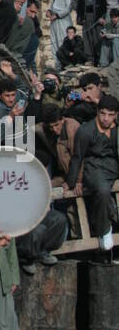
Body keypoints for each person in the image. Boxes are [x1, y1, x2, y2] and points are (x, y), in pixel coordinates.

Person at [67, 95, 119, 260]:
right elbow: (78, 157)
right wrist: (73, 181)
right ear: (97, 112)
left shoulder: (116, 128)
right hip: (94, 167)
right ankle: (104, 230)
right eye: (103, 113)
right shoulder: (86, 131)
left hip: (113, 165)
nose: (106, 118)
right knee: (103, 190)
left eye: (110, 115)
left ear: (116, 115)